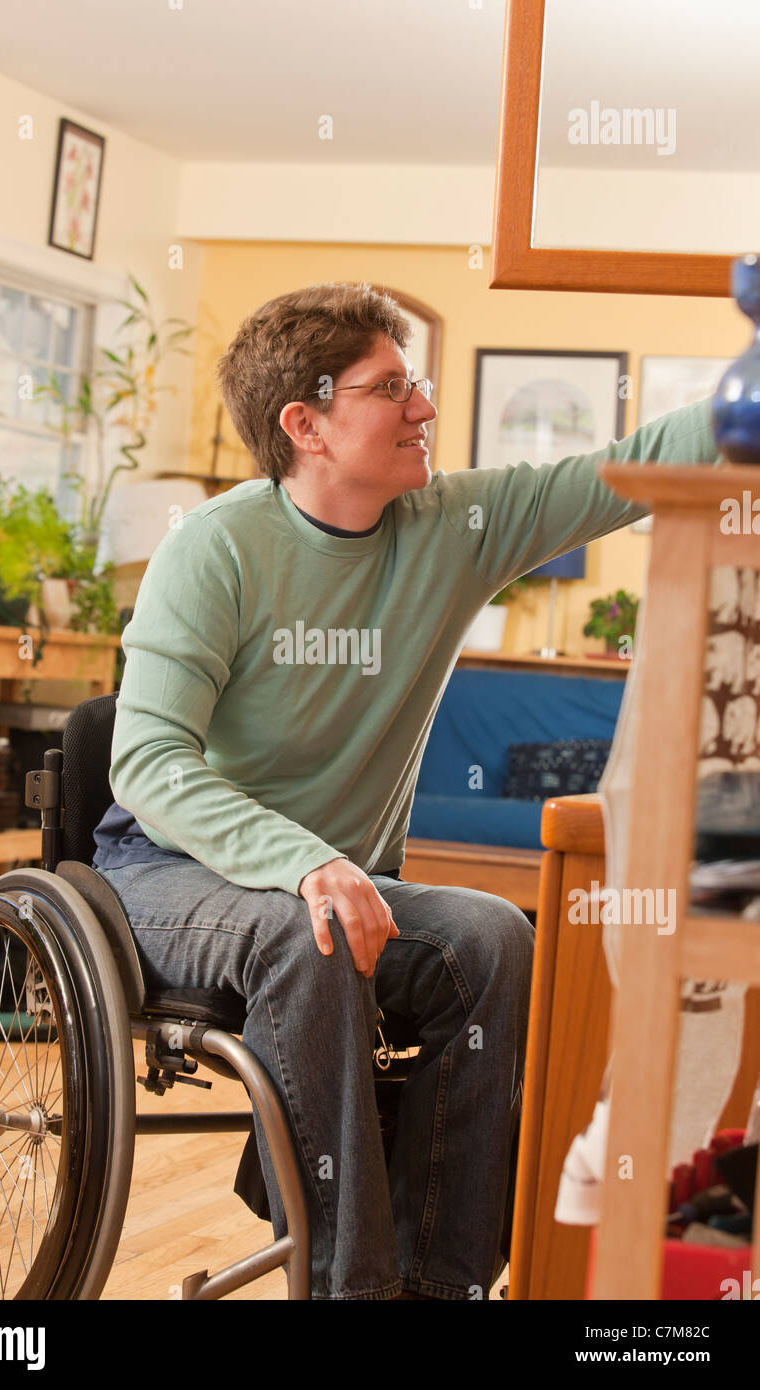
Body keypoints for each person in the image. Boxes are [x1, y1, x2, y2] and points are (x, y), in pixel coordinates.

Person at [92, 281, 720, 1300]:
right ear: (306, 423)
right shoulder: (214, 550)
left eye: (417, 383)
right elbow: (150, 762)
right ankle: (354, 1287)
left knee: (491, 937)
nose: (424, 407)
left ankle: (446, 1285)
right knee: (311, 930)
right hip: (170, 868)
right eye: (393, 389)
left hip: (340, 886)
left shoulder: (449, 527)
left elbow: (622, 471)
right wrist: (303, 862)